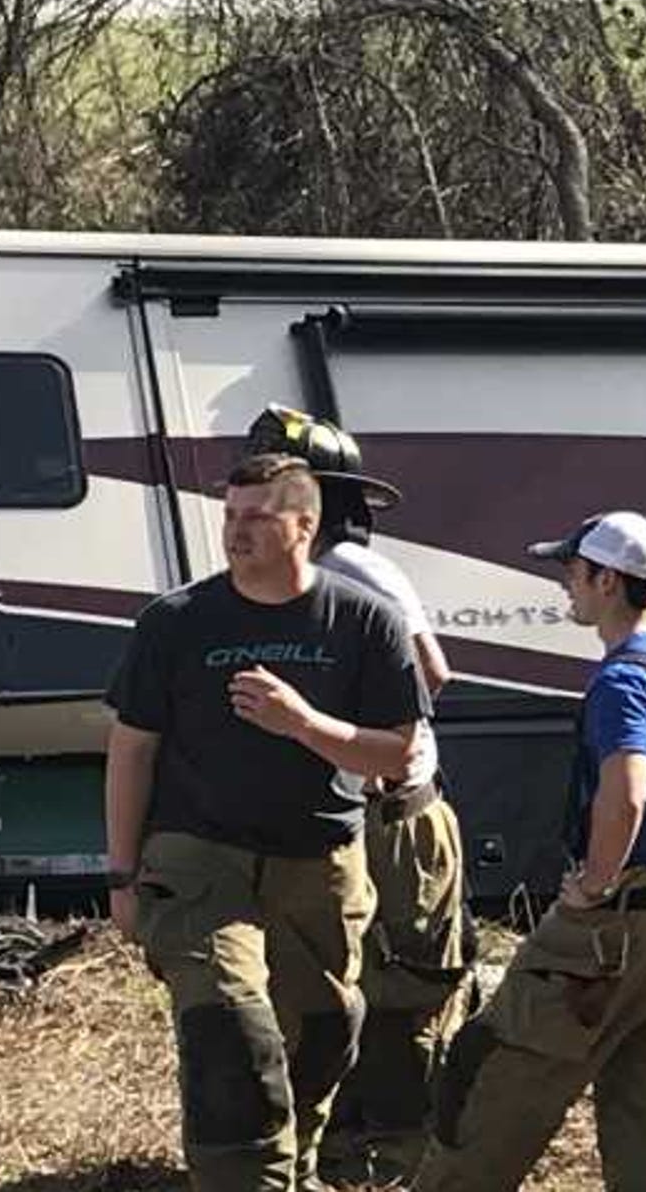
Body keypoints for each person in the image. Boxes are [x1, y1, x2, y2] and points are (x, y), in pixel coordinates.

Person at [414, 511, 646, 1192]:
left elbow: (627, 793)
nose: (565, 588)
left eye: (571, 572)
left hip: (622, 915)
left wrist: (596, 884)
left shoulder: (624, 680)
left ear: (606, 579)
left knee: (496, 1075)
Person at [105, 453, 429, 1192]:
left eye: (257, 517)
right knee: (230, 1026)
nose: (236, 532)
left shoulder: (362, 619)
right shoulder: (178, 621)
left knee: (322, 1034)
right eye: (229, 515)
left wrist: (304, 723)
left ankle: (293, 1163)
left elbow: (397, 752)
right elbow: (131, 750)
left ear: (304, 525)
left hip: (320, 858)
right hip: (199, 856)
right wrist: (122, 875)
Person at [241, 406, 472, 1179]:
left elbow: (431, 674)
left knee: (408, 988)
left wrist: (322, 721)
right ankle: (343, 1146)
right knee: (329, 987)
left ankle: (407, 1155)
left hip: (395, 813)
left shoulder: (358, 571)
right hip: (337, 819)